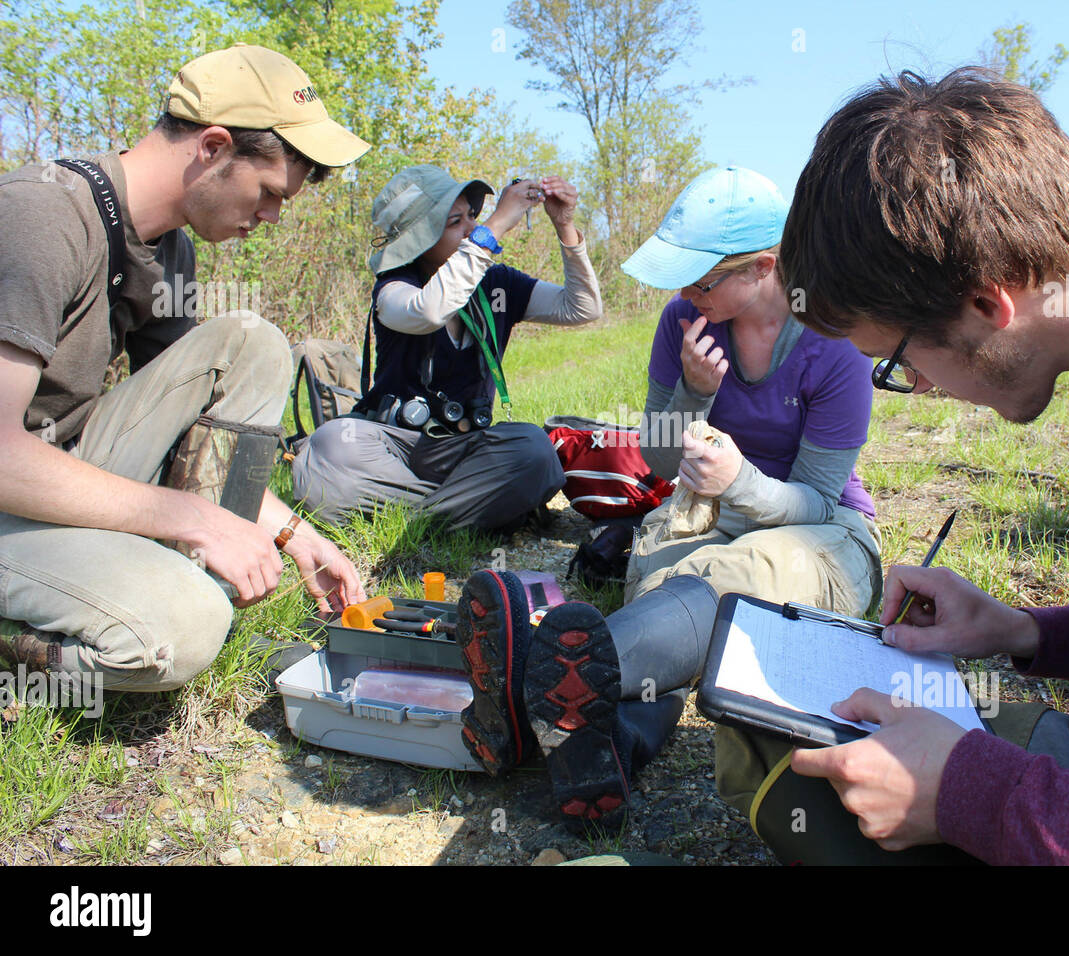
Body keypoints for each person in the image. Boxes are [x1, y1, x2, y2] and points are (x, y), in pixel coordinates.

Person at [717, 67, 1069, 865]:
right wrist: (1019, 630)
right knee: (784, 744)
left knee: (830, 797)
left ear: (989, 306)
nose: (916, 389)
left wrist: (970, 796)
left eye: (896, 363)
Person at [452, 166, 881, 828]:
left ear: (764, 267)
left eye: (703, 279)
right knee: (668, 628)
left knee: (744, 577)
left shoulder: (836, 346)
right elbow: (654, 458)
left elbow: (818, 503)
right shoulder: (685, 319)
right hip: (702, 511)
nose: (685, 292)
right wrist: (694, 393)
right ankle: (609, 747)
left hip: (820, 530)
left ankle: (524, 682)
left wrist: (740, 483)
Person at [0, 44, 368, 692]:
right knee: (188, 626)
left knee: (254, 342)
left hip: (65, 469)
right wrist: (195, 520)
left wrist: (297, 535)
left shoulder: (171, 255)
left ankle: (166, 578)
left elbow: (199, 443)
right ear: (214, 147)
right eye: (270, 193)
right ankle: (27, 647)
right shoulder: (43, 217)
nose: (273, 217)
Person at [290, 165, 602, 532]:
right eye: (455, 222)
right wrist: (497, 225)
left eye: (473, 216)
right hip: (394, 447)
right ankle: (464, 511)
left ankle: (411, 520)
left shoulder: (498, 284)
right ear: (419, 238)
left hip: (464, 449)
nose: (472, 228)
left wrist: (565, 227)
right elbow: (430, 310)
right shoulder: (394, 288)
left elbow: (582, 307)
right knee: (328, 446)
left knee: (534, 449)